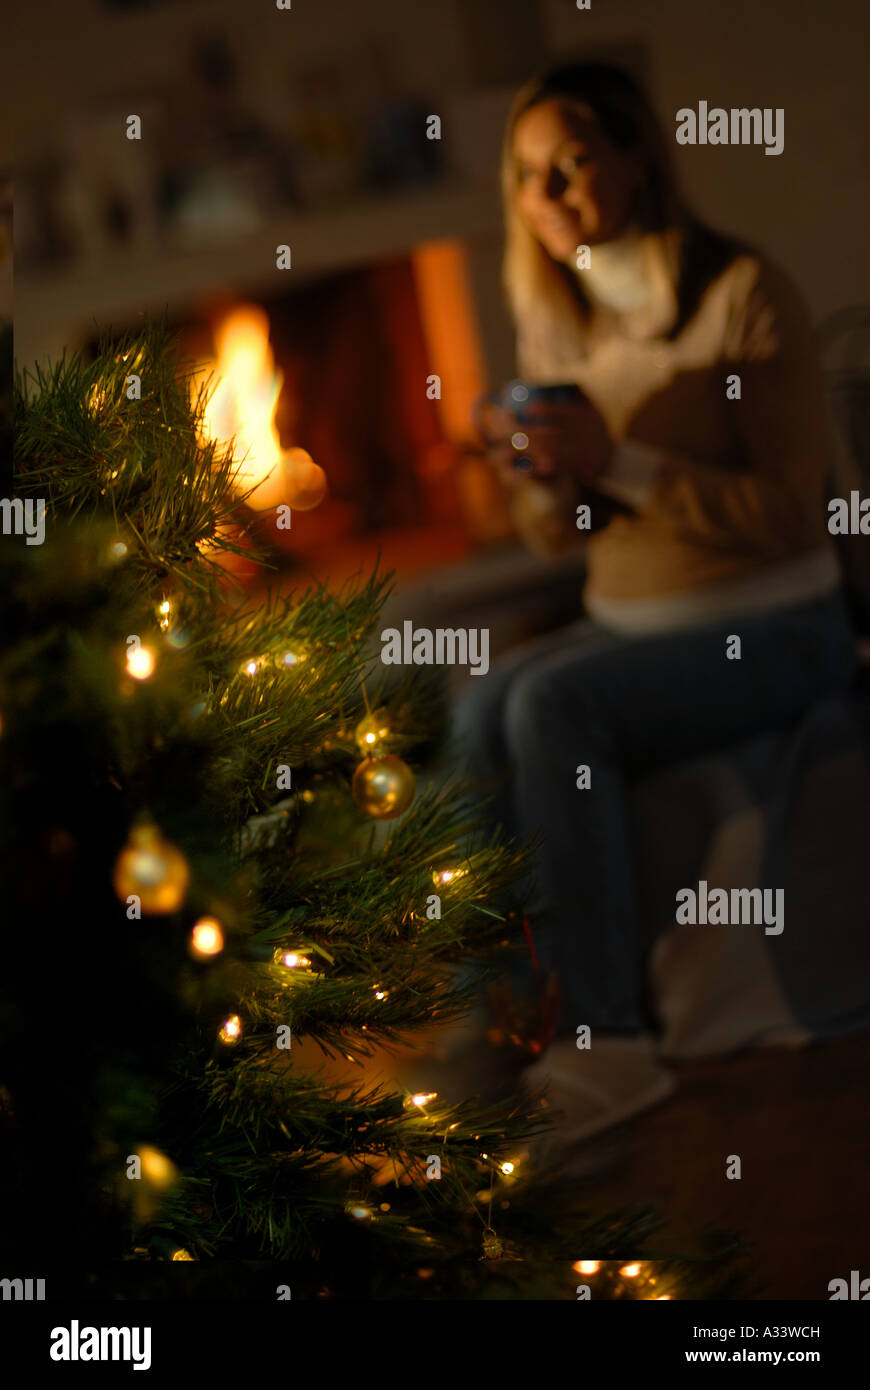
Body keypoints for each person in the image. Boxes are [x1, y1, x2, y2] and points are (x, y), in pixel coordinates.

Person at [453, 63, 858, 1146]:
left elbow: (788, 513)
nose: (553, 194)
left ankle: (611, 1039)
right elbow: (563, 538)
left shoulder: (743, 295)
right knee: (478, 704)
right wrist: (544, 479)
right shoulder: (564, 319)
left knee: (550, 711)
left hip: (782, 624)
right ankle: (504, 1013)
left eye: (575, 160)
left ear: (637, 155)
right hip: (637, 624)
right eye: (529, 176)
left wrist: (617, 461)